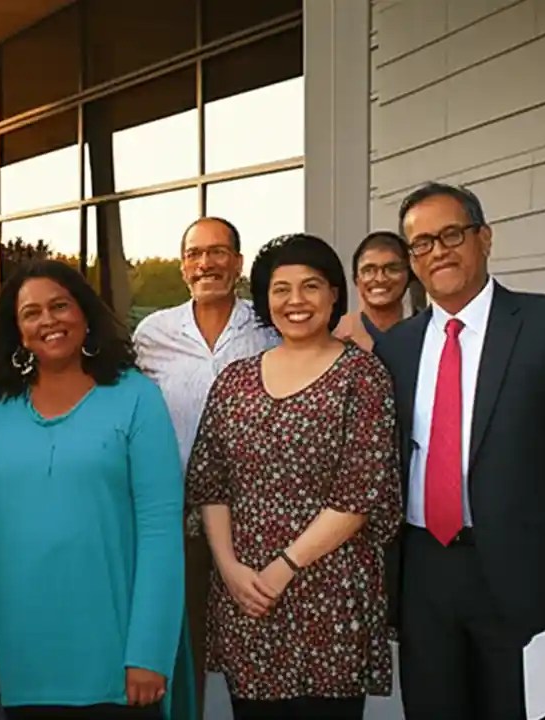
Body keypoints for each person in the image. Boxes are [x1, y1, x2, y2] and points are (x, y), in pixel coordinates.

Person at [374, 182, 545, 719]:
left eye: (451, 234)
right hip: (425, 574)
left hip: (523, 574)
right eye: (422, 244)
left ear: (484, 238)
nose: (438, 251)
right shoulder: (397, 347)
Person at [185, 233, 402, 720]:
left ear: (333, 296)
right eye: (281, 289)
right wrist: (230, 568)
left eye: (311, 286)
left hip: (329, 599)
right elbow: (210, 482)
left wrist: (282, 569)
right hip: (248, 596)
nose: (296, 301)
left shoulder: (362, 377)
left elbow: (358, 494)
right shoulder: (235, 380)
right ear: (264, 298)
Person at [0, 259, 188, 720]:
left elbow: (160, 530)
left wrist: (149, 650)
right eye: (31, 312)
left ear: (85, 314)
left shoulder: (135, 397)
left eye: (60, 306)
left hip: (117, 664)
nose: (48, 320)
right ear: (17, 330)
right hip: (20, 660)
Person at [132, 217, 279, 716]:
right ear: (182, 268)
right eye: (195, 254)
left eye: (218, 253)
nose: (206, 263)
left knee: (255, 642)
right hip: (176, 512)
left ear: (238, 263)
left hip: (255, 515)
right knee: (183, 641)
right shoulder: (153, 335)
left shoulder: (269, 327)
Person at [334, 230, 412, 351]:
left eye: (392, 269)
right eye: (369, 270)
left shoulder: (429, 329)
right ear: (356, 279)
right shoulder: (338, 334)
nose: (380, 279)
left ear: (409, 275)